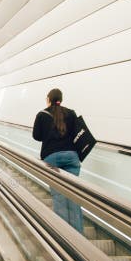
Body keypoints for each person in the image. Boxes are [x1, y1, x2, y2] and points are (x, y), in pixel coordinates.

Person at [32, 88, 83, 232]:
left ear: (48, 99)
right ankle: (79, 240)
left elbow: (37, 136)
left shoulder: (42, 115)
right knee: (74, 197)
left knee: (59, 198)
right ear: (61, 99)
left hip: (52, 158)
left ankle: (64, 238)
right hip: (72, 157)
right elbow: (77, 134)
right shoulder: (71, 113)